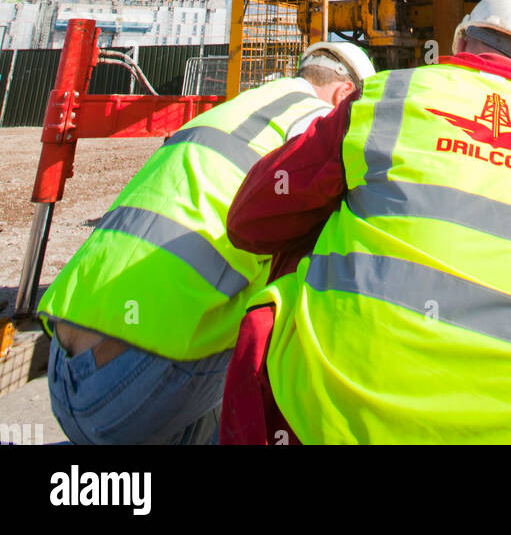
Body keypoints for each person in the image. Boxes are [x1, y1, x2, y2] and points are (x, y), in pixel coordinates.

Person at [220, 0, 511, 445]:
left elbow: (250, 222)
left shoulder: (387, 100)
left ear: (461, 42)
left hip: (340, 418)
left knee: (276, 301)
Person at [38, 40, 376, 445]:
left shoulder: (235, 109)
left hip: (63, 364)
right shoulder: (317, 120)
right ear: (343, 94)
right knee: (287, 343)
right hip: (131, 382)